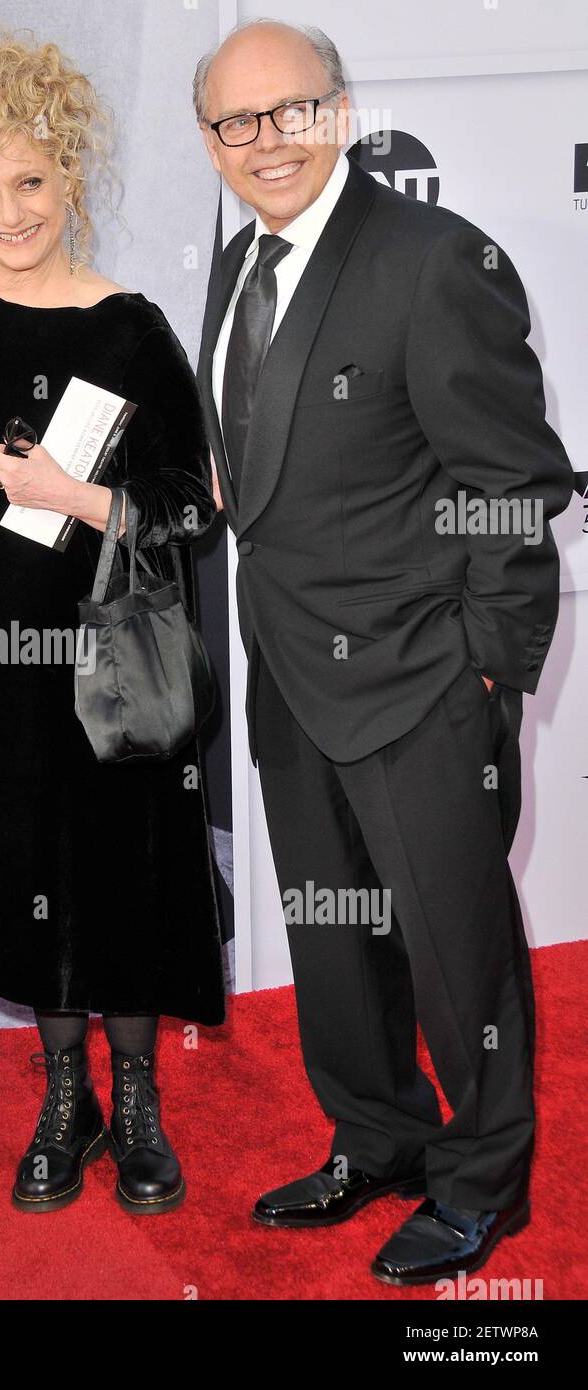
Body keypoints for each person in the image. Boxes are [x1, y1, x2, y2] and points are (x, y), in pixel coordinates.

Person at [193, 18, 573, 1284]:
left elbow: (513, 483)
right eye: (235, 123)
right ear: (210, 143)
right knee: (331, 935)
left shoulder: (431, 259)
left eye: (289, 111)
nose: (265, 142)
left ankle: (479, 1182)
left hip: (421, 681)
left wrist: (489, 672)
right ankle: (377, 1137)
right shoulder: (236, 267)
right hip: (289, 676)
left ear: (339, 113)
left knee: (453, 944)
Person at [0, 29, 226, 1216]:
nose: (7, 211)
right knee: (25, 876)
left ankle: (134, 1105)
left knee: (120, 879)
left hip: (108, 670)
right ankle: (64, 1098)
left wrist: (71, 496)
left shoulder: (129, 328)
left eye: (27, 183)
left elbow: (194, 504)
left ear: (70, 177)